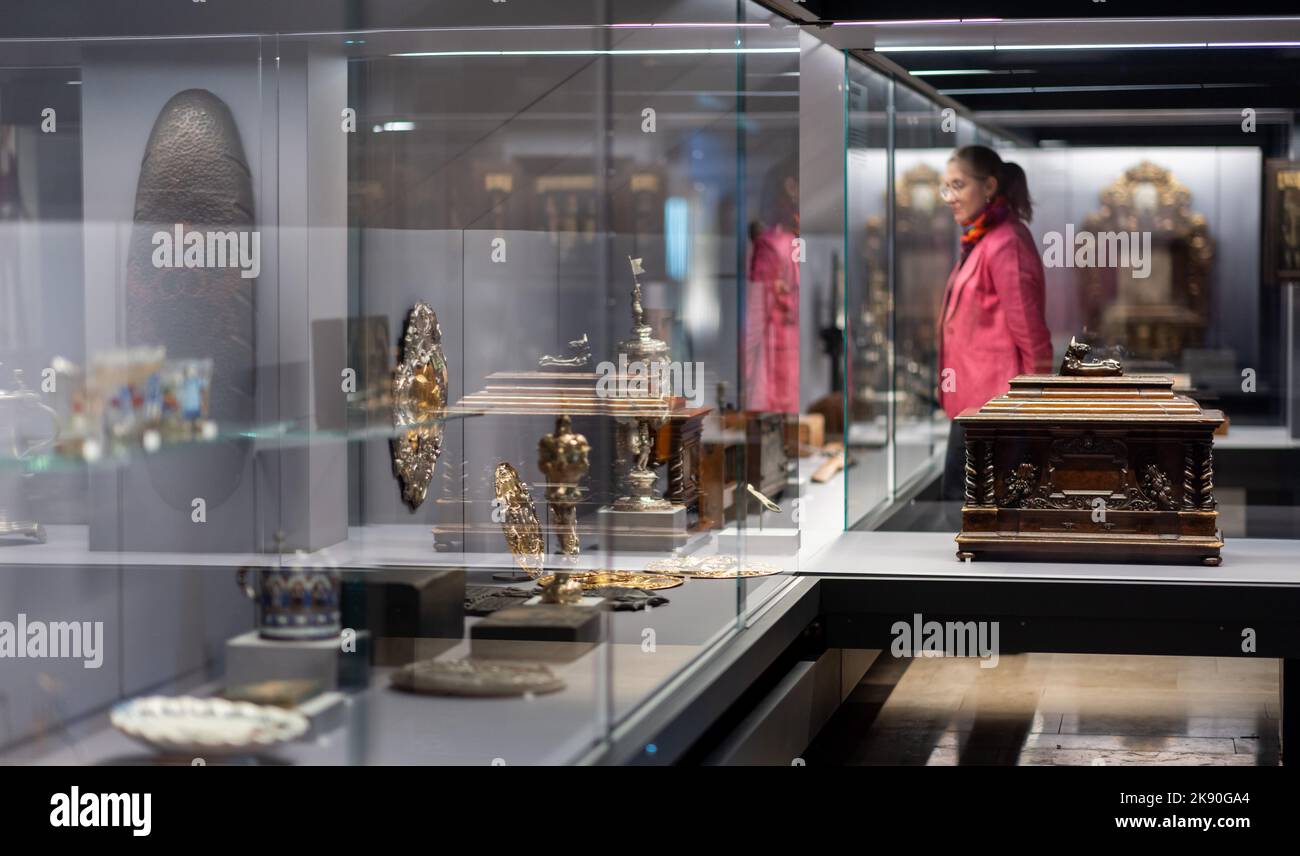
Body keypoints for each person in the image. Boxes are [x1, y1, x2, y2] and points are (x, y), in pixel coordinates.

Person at [938, 146, 1052, 502]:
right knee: (963, 506)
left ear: (988, 186)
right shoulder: (984, 239)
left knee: (974, 507)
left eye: (957, 186)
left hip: (999, 410)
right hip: (976, 406)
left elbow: (1031, 334)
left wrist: (1034, 410)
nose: (949, 197)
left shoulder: (1005, 242)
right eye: (946, 188)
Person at [743, 157, 800, 414]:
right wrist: (747, 376)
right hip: (773, 364)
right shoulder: (772, 244)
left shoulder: (790, 241)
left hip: (789, 359)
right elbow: (756, 316)